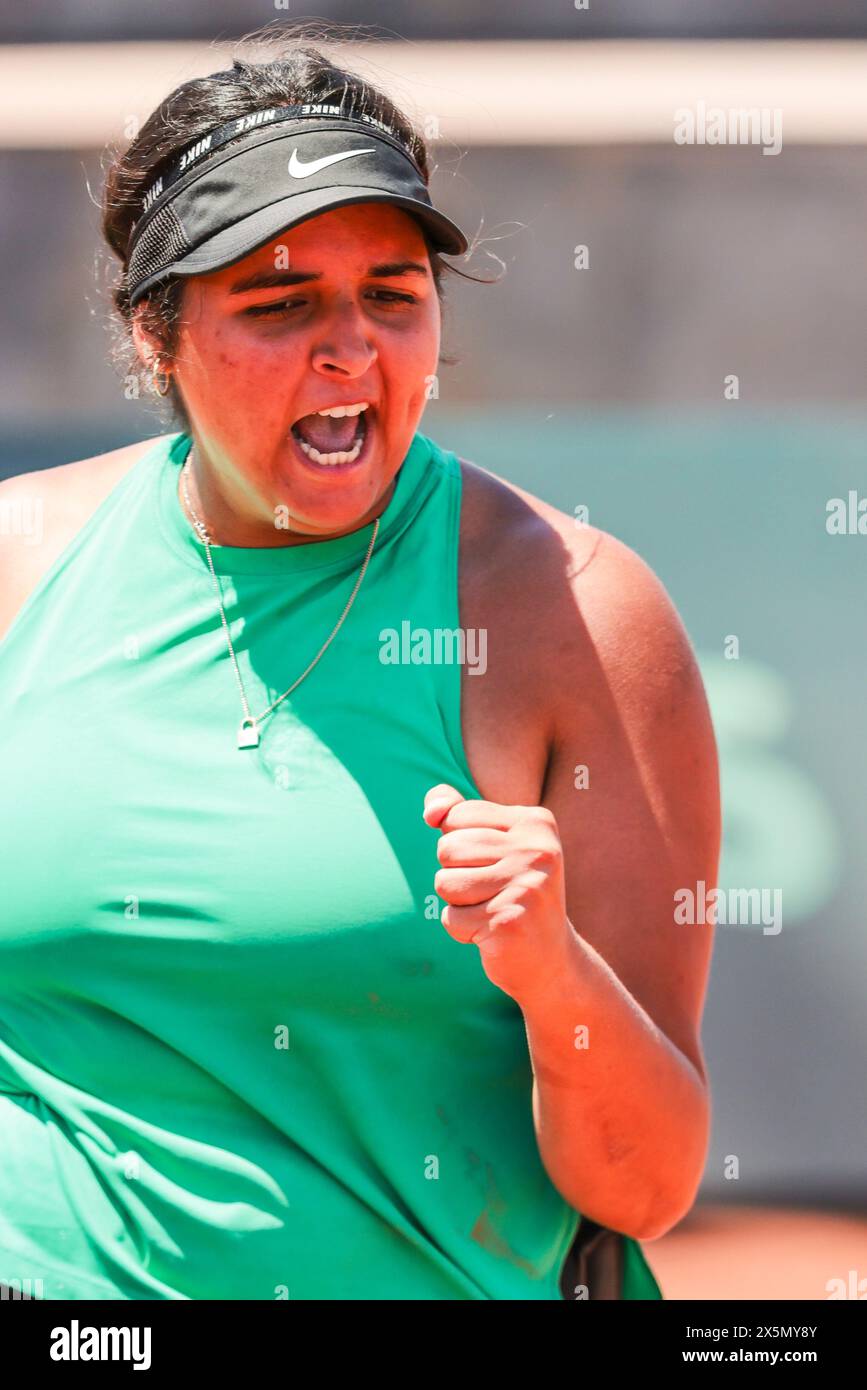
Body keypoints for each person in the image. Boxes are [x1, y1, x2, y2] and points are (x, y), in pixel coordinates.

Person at [0, 32, 720, 1301]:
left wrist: (554, 974)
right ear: (156, 338)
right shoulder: (18, 564)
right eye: (279, 306)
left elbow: (646, 1188)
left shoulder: (580, 614)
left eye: (392, 293)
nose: (351, 349)